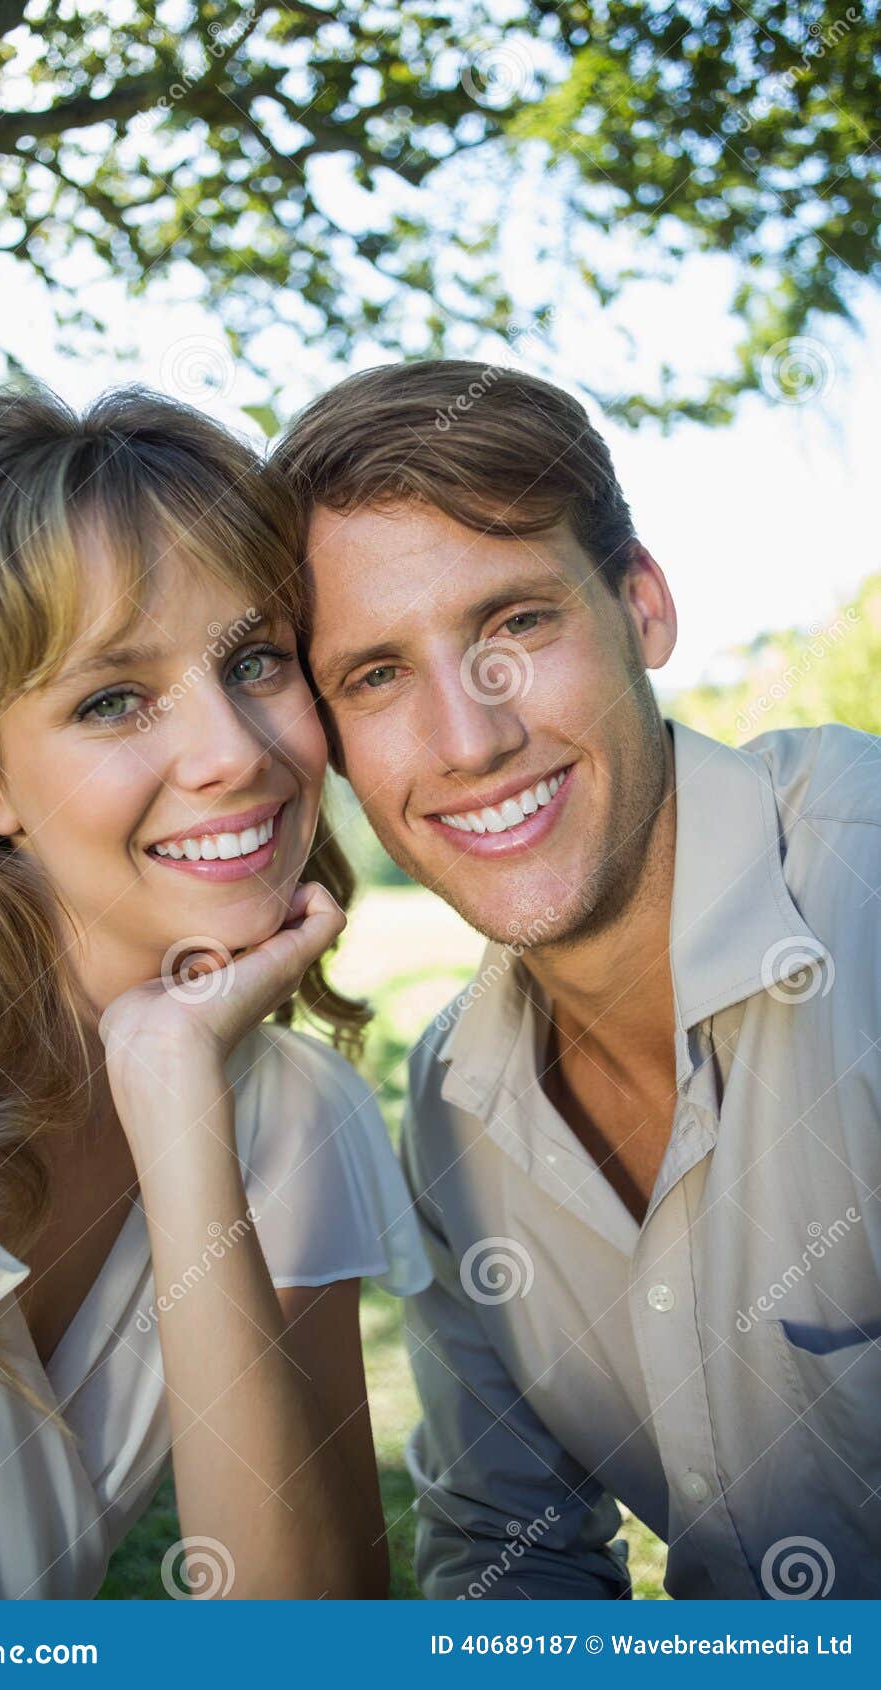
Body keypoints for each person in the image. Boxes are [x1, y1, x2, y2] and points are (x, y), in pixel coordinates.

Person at [271, 359, 881, 1600]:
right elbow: (513, 1556)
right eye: (376, 675)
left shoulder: (861, 905)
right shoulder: (450, 1097)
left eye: (513, 624)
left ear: (641, 606)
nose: (468, 739)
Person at [0, 382, 431, 1601]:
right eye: (112, 699)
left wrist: (169, 1087)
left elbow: (304, 1648)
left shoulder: (288, 1109)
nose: (235, 752)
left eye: (255, 660)